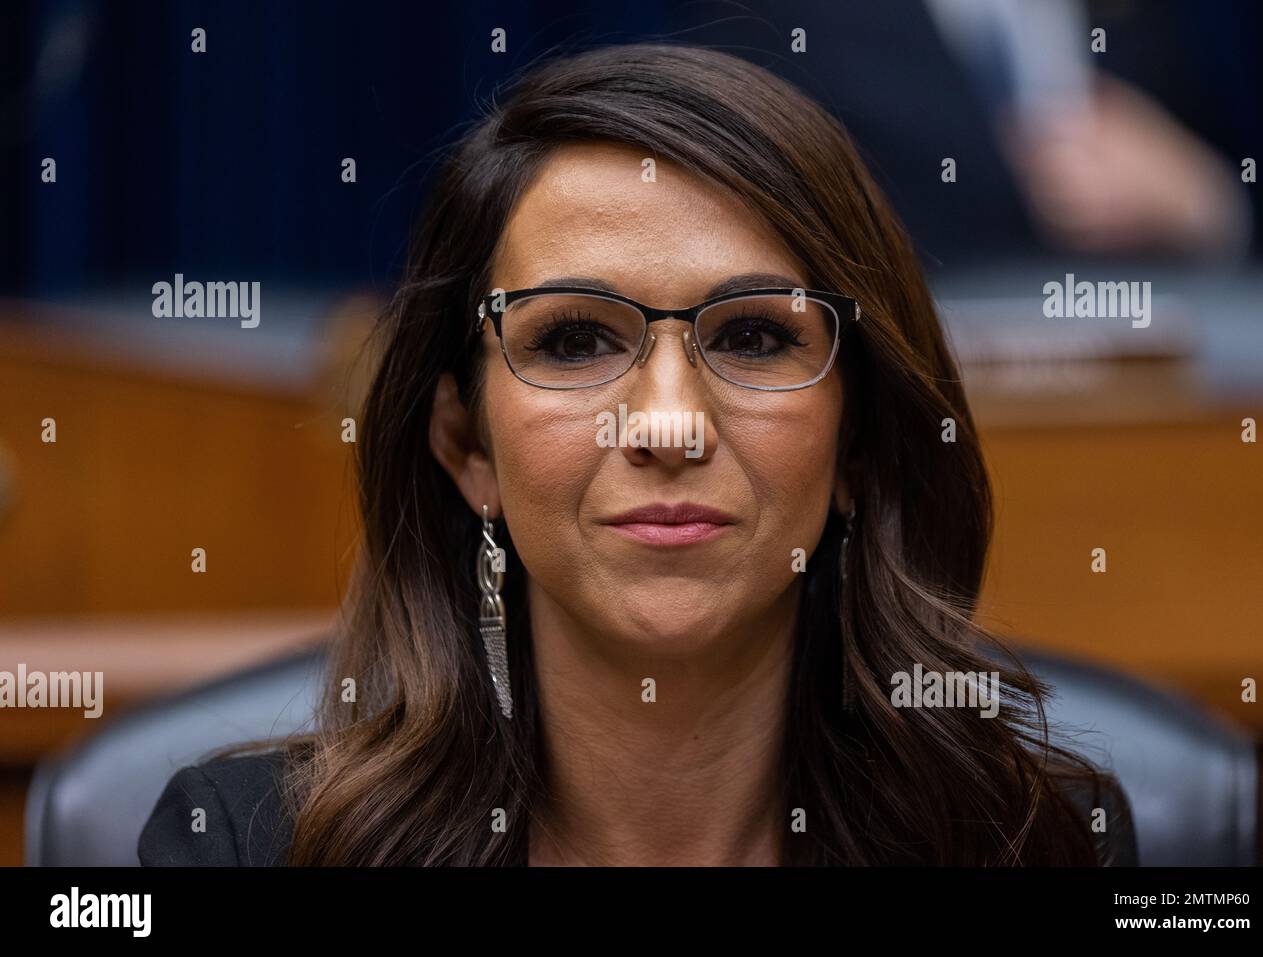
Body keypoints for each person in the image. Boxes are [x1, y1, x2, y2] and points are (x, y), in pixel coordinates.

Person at [139, 42, 1137, 867]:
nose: (667, 427)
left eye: (753, 337)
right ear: (464, 444)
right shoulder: (249, 848)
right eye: (573, 340)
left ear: (860, 448)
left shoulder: (1027, 844)